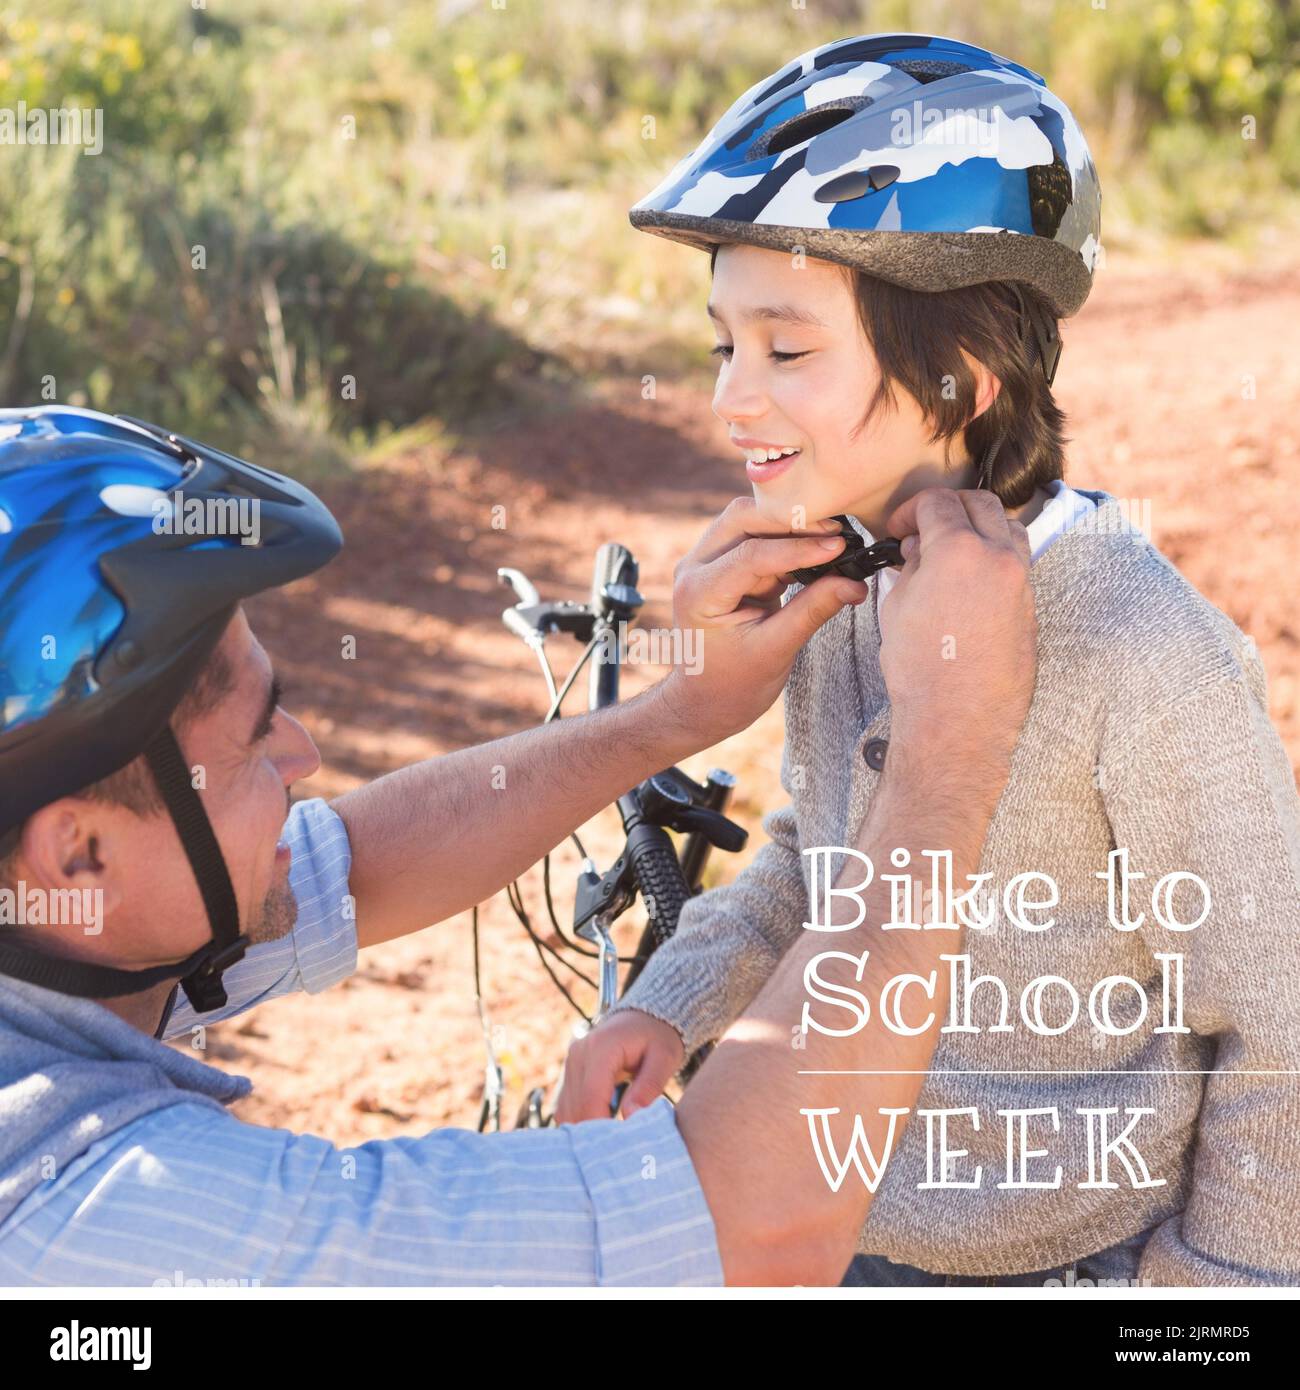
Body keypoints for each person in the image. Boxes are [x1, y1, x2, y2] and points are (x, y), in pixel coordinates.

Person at [555, 33, 1300, 1287]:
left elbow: (1278, 1026)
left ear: (960, 376)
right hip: (837, 1237)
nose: (733, 401)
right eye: (720, 347)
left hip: (1072, 1264)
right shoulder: (845, 586)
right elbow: (819, 859)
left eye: (786, 352)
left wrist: (1207, 1299)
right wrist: (665, 1003)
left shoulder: (1139, 644)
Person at [0, 405, 1036, 1286]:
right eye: (256, 741)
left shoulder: (58, 931)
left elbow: (350, 863)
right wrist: (950, 745)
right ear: (78, 855)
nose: (306, 754)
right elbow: (750, 1225)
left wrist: (674, 711)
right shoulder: (98, 1219)